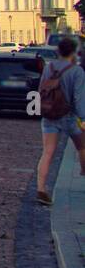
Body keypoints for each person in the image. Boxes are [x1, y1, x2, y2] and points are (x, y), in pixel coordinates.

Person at [36, 37, 85, 205]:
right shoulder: (77, 71)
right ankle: (83, 174)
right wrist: (83, 117)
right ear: (73, 52)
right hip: (69, 116)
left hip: (50, 115)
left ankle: (41, 189)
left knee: (48, 152)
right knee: (82, 147)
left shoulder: (49, 67)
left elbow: (41, 89)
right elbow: (78, 98)